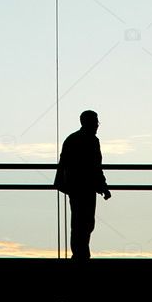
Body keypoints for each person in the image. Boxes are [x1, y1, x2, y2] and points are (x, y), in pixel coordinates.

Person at [54, 109, 111, 260]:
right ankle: (81, 253)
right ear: (89, 123)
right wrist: (102, 186)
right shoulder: (90, 140)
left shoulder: (73, 139)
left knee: (81, 221)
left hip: (77, 187)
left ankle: (80, 252)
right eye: (95, 122)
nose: (97, 125)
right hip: (83, 187)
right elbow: (95, 167)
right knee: (84, 222)